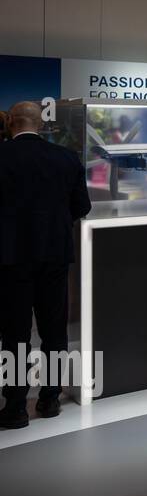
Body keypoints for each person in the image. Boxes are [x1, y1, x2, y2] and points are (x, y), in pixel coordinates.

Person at [0, 102, 92, 428]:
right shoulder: (66, 158)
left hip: (11, 259)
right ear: (41, 124)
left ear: (11, 122)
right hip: (55, 256)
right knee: (54, 330)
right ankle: (50, 399)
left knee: (15, 333)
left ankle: (15, 407)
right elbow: (82, 205)